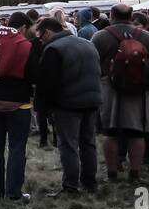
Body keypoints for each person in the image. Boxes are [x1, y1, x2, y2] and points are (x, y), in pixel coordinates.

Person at [92, 4, 149, 184]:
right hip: (139, 91)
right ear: (131, 16)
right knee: (137, 134)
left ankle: (112, 174)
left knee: (110, 133)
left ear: (111, 15)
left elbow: (91, 64)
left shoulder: (100, 36)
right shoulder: (146, 36)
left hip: (109, 89)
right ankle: (135, 174)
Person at [34, 16, 103, 195]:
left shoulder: (53, 49)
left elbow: (47, 83)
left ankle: (71, 186)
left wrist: (43, 108)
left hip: (67, 104)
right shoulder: (88, 44)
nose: (39, 40)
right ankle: (90, 183)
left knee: (68, 145)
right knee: (89, 144)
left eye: (40, 36)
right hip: (92, 100)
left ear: (47, 32)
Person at [0, 11, 39, 201]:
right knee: (17, 148)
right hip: (18, 103)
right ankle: (14, 192)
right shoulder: (24, 45)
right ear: (22, 27)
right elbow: (33, 76)